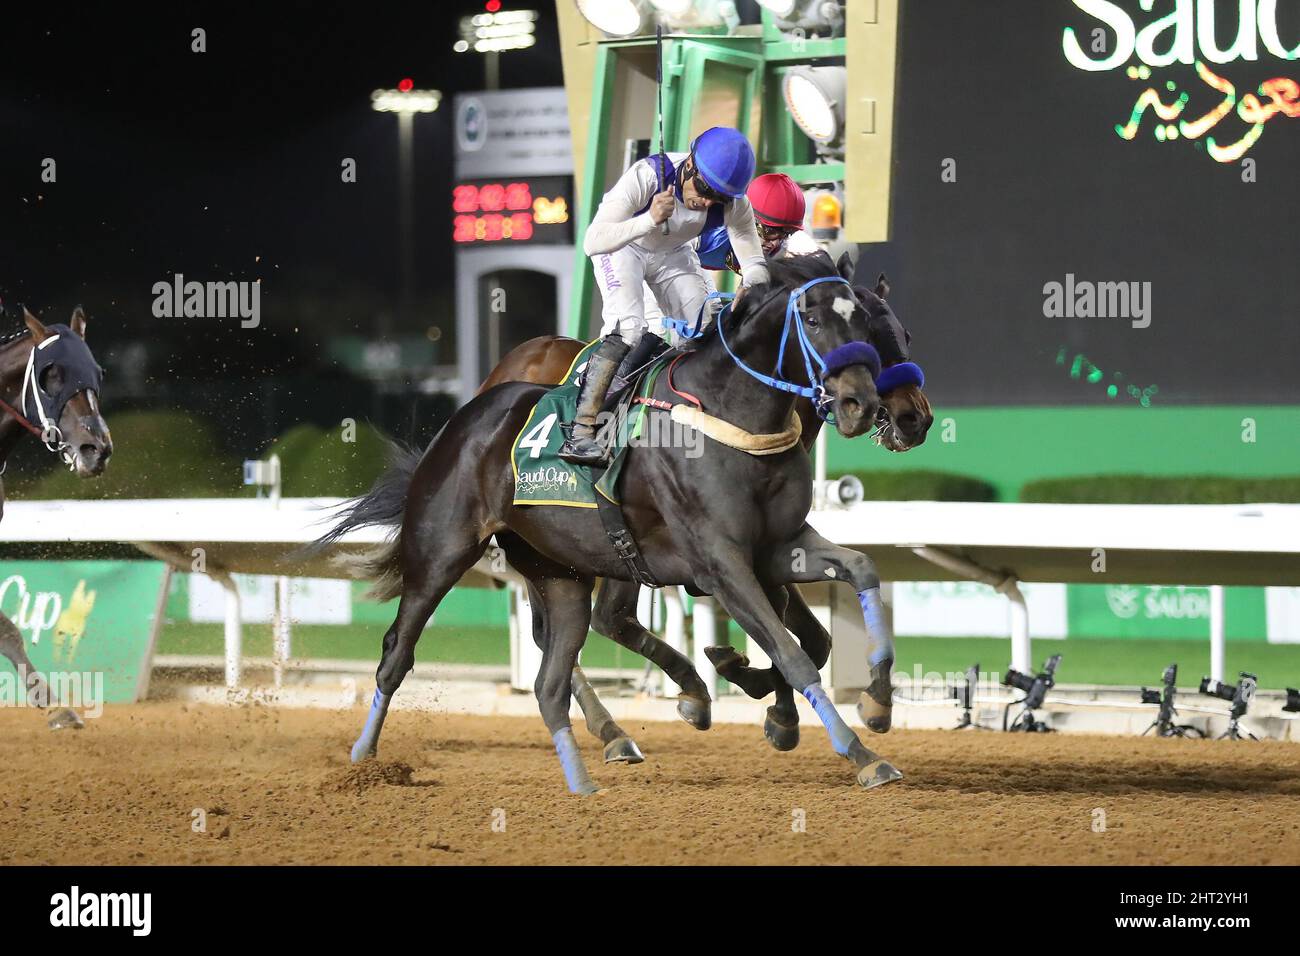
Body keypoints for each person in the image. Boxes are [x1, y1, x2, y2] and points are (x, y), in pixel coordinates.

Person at [558, 126, 768, 466]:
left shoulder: (734, 203)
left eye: (720, 199)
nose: (709, 203)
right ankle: (581, 433)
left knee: (707, 325)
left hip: (671, 253)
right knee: (629, 328)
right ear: (690, 165)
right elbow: (593, 241)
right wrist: (648, 220)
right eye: (705, 189)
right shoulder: (646, 175)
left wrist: (753, 282)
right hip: (623, 247)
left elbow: (754, 260)